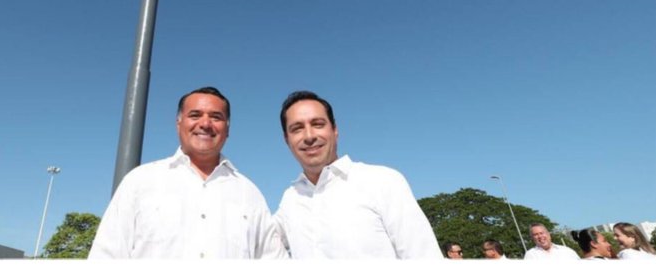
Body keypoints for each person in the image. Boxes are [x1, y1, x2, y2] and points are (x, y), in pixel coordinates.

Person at [89, 86, 285, 258]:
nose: (205, 124)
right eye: (195, 115)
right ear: (178, 123)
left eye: (216, 117)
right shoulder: (139, 182)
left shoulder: (250, 194)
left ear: (228, 128)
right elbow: (106, 257)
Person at [273, 91, 440, 258]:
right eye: (297, 128)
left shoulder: (383, 181)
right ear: (287, 140)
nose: (309, 136)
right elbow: (258, 238)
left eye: (318, 124)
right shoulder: (290, 199)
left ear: (335, 130)